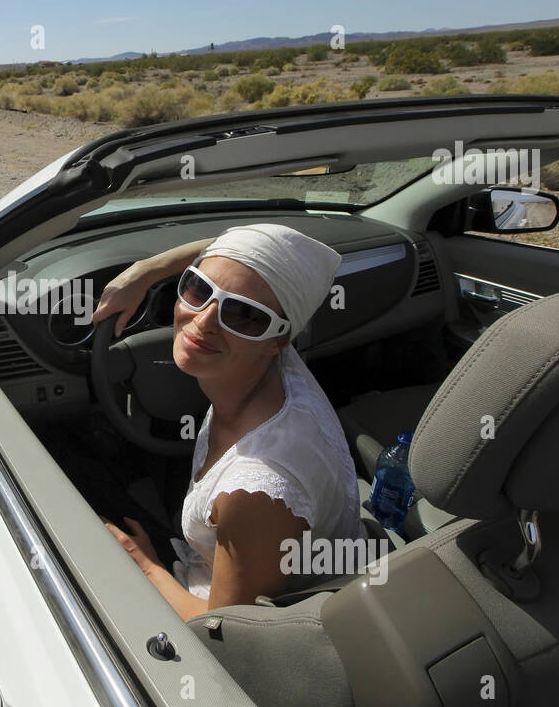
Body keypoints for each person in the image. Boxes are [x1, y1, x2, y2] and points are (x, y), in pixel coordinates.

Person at [91, 224, 364, 620]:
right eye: (198, 288)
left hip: (205, 611)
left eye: (245, 314)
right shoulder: (276, 364)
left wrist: (143, 564)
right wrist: (145, 272)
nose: (204, 321)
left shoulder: (255, 491)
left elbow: (227, 635)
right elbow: (236, 253)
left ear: (279, 339)